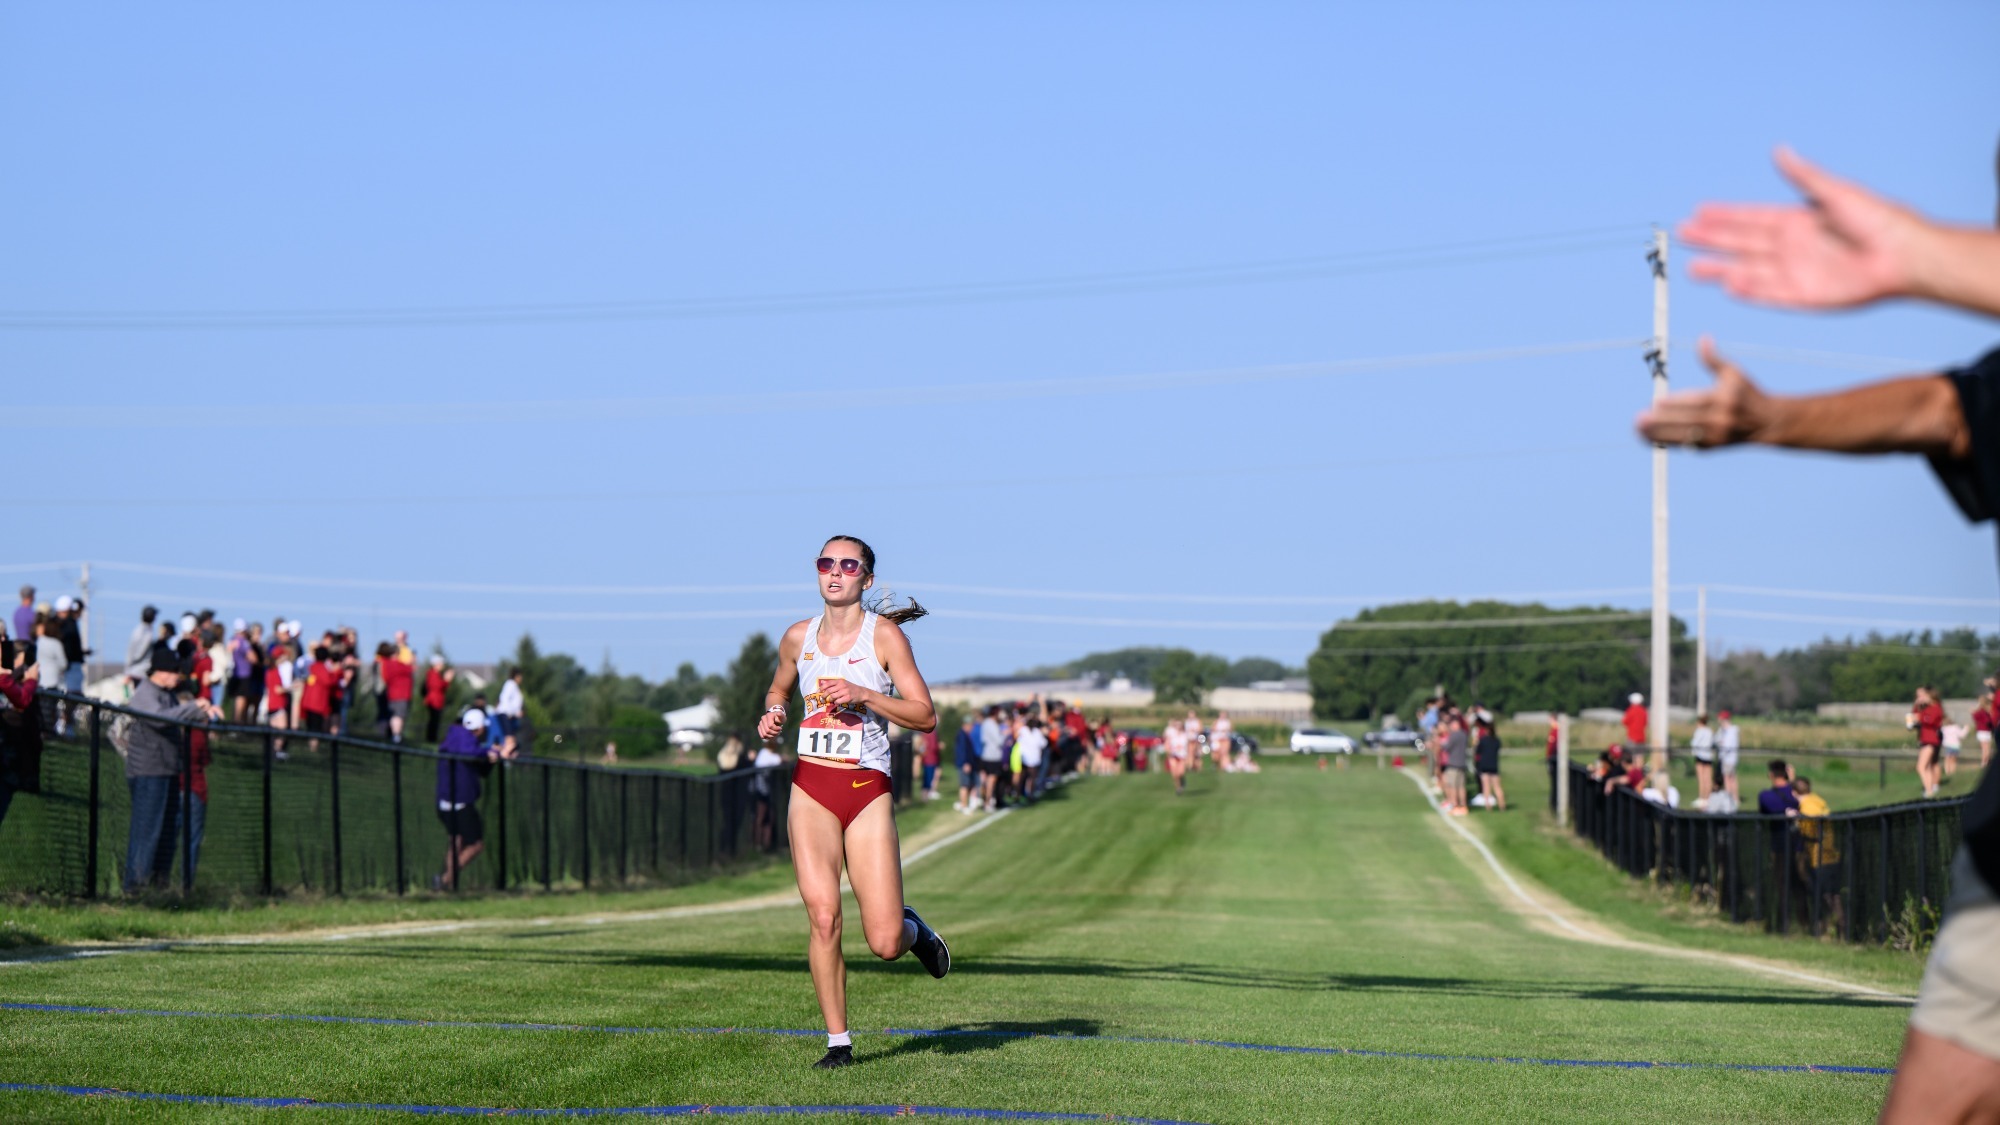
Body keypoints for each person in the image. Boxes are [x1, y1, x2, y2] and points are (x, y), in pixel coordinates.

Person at [754, 535, 949, 1070]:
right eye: (826, 563)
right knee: (823, 918)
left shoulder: (883, 636)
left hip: (865, 790)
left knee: (884, 942)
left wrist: (865, 695)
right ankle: (838, 1042)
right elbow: (778, 689)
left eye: (848, 564)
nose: (835, 572)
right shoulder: (798, 636)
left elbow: (925, 715)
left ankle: (914, 930)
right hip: (811, 788)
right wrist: (773, 713)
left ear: (866, 577)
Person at [123, 644, 222, 893]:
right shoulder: (146, 692)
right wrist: (194, 707)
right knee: (147, 831)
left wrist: (204, 711)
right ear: (162, 672)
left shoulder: (167, 694)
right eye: (175, 672)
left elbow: (178, 714)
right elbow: (160, 719)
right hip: (148, 772)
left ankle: (157, 885)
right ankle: (135, 887)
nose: (179, 676)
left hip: (166, 771)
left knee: (165, 833)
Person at [434, 708, 513, 890]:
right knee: (475, 844)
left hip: (444, 803)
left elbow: (478, 765)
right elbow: (470, 753)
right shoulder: (468, 744)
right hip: (460, 803)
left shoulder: (454, 739)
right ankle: (445, 880)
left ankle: (447, 885)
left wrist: (491, 756)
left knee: (456, 841)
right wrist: (490, 753)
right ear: (478, 728)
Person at [1790, 776, 1842, 934]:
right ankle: (1839, 930)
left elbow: (1812, 832)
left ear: (1794, 793)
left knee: (1825, 896)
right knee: (1833, 895)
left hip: (1819, 857)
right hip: (1831, 855)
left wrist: (1797, 821)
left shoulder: (1807, 808)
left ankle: (1832, 929)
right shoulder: (1818, 801)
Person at [375, 641, 415, 744]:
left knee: (394, 716)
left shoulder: (386, 664)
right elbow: (411, 668)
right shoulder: (396, 665)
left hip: (392, 694)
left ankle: (394, 735)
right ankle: (396, 736)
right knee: (398, 716)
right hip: (400, 694)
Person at [1909, 685, 1945, 799]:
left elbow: (1929, 720)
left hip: (1931, 740)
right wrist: (1917, 706)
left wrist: (1919, 717)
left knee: (1920, 767)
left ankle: (1929, 790)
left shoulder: (1936, 707)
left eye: (1924, 696)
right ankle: (1929, 790)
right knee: (1927, 767)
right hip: (1925, 739)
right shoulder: (1927, 708)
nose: (1922, 698)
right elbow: (1915, 715)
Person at [264, 642, 292, 760]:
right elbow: (278, 689)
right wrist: (291, 687)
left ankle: (272, 752)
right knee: (282, 730)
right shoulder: (275, 672)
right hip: (278, 703)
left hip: (272, 704)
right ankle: (277, 750)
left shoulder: (269, 671)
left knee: (274, 731)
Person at [977, 706, 1007, 811]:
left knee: (987, 780)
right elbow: (999, 741)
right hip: (993, 756)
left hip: (987, 755)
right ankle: (987, 802)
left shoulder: (987, 723)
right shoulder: (991, 724)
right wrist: (1005, 734)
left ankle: (986, 801)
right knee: (991, 781)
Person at [1439, 716, 1469, 816]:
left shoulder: (1454, 735)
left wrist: (1442, 743)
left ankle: (1455, 805)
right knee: (1461, 786)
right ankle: (1463, 806)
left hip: (1453, 763)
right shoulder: (1464, 734)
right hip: (1462, 763)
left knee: (1453, 786)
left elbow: (1447, 747)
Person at [1473, 718, 1504, 812]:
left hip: (1484, 765)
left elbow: (1478, 751)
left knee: (1486, 787)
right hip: (1494, 765)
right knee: (1497, 786)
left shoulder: (1483, 740)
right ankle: (1502, 805)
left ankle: (1488, 806)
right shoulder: (1497, 740)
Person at [422, 654, 454, 744]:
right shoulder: (432, 674)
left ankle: (432, 738)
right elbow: (437, 686)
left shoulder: (435, 674)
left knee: (435, 721)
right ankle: (431, 739)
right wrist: (446, 680)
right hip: (434, 701)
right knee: (433, 721)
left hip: (437, 700)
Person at [952, 713, 979, 813]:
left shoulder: (965, 735)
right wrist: (965, 763)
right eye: (971, 725)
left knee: (968, 784)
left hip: (966, 763)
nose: (972, 727)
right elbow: (962, 751)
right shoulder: (962, 735)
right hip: (964, 764)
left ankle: (963, 803)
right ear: (966, 725)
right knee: (964, 785)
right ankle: (963, 806)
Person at [1689, 713, 1717, 806]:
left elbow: (1694, 743)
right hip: (1708, 756)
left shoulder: (1699, 731)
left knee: (1701, 779)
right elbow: (1713, 742)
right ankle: (1708, 798)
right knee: (1708, 778)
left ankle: (1702, 797)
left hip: (1700, 756)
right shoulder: (1710, 731)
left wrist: (1694, 752)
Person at [1715, 710, 1741, 803]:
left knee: (1728, 778)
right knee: (1732, 778)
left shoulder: (1730, 731)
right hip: (1729, 758)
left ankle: (1730, 798)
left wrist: (1721, 743)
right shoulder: (1724, 730)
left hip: (1728, 758)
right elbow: (1717, 739)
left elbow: (1727, 745)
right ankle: (1734, 798)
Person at [495, 668, 525, 747]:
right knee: (510, 740)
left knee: (511, 739)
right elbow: (504, 698)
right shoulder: (510, 684)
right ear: (517, 676)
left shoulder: (514, 686)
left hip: (510, 715)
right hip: (506, 714)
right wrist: (510, 713)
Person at [1621, 692, 1647, 756]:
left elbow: (1624, 721)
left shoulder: (1631, 710)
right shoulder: (1643, 710)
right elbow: (1645, 723)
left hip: (1632, 737)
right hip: (1641, 737)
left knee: (1630, 755)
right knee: (1639, 755)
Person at [919, 724, 939, 801]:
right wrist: (939, 746)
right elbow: (933, 747)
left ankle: (924, 795)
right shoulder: (932, 734)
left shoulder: (924, 733)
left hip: (926, 758)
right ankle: (925, 795)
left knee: (926, 777)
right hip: (931, 759)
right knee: (929, 778)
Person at [1944, 717, 1967, 782]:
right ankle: (1952, 772)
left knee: (1947, 759)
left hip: (1948, 745)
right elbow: (1962, 735)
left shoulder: (1944, 728)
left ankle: (1947, 771)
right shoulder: (1955, 727)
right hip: (1956, 745)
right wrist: (1966, 728)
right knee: (1953, 760)